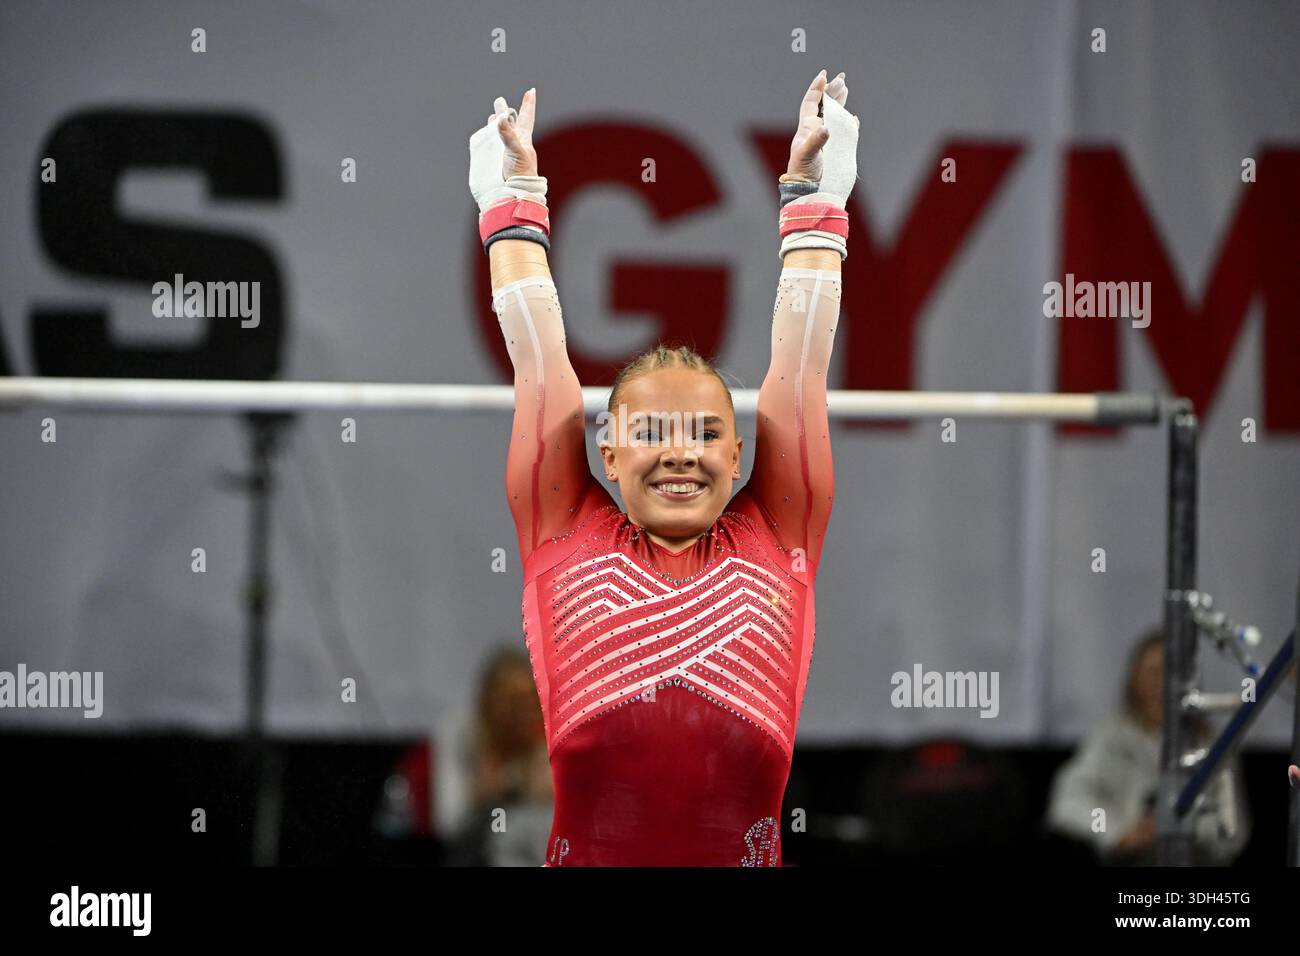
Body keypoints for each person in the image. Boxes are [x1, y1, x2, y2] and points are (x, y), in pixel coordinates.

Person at [467, 71, 857, 865]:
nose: (680, 450)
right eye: (652, 431)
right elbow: (543, 370)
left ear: (740, 454)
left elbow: (801, 368)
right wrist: (512, 212)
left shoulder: (779, 530)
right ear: (605, 452)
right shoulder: (561, 528)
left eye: (705, 432)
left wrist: (814, 202)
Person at [1046, 627, 1250, 865]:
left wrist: (1178, 829)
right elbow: (1069, 802)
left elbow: (1231, 828)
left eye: (1169, 672)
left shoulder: (1212, 744)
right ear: (1135, 679)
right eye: (1152, 672)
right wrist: (1116, 832)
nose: (1160, 684)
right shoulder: (1110, 738)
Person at [434, 646, 553, 866]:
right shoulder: (464, 734)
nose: (526, 712)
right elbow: (449, 822)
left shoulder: (544, 735)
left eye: (530, 700)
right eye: (514, 702)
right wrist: (480, 794)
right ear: (490, 703)